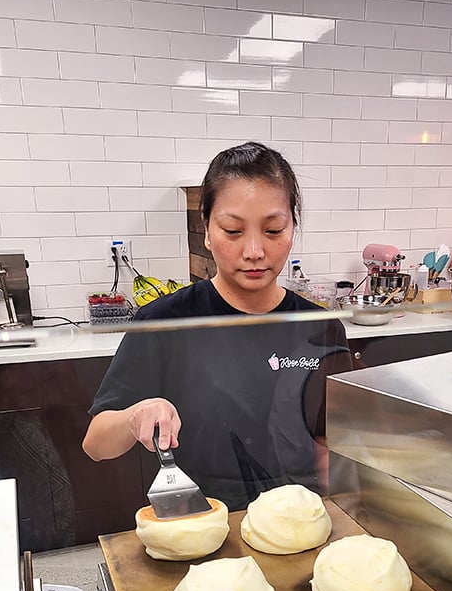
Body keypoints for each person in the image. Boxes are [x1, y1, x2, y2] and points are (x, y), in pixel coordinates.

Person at [82, 141, 352, 511]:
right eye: (233, 231)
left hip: (300, 522)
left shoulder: (320, 327)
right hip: (203, 522)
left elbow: (331, 444)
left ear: (292, 228)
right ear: (207, 229)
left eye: (273, 230)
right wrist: (134, 416)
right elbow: (95, 445)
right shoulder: (165, 322)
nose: (254, 251)